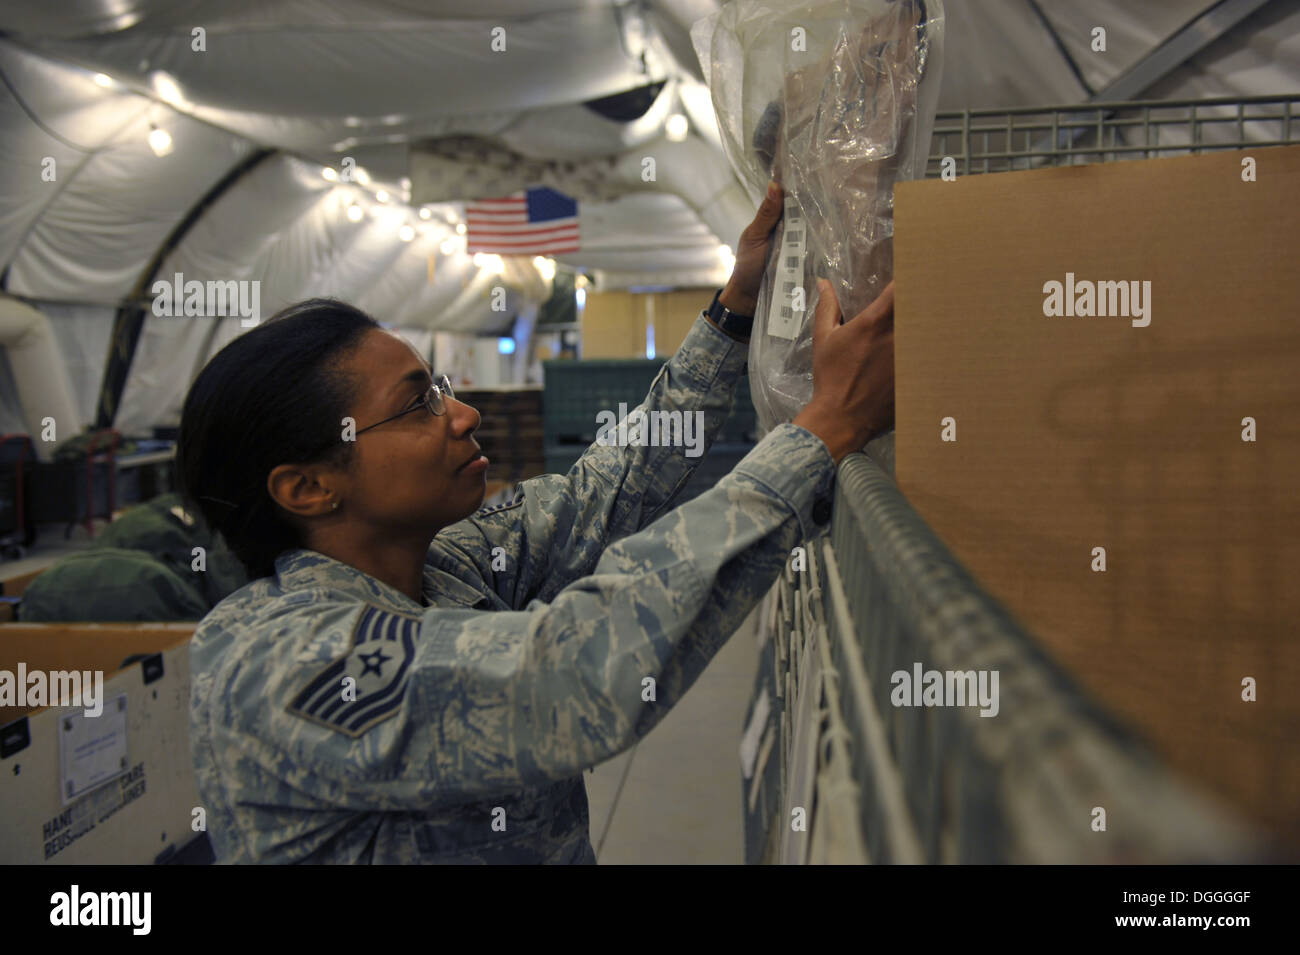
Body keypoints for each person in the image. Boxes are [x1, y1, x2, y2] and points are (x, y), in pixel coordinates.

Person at [181, 181, 896, 863]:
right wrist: (824, 431)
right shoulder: (280, 664)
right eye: (418, 404)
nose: (463, 414)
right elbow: (577, 669)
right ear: (308, 487)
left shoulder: (445, 568)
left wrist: (737, 305)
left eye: (443, 388)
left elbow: (610, 490)